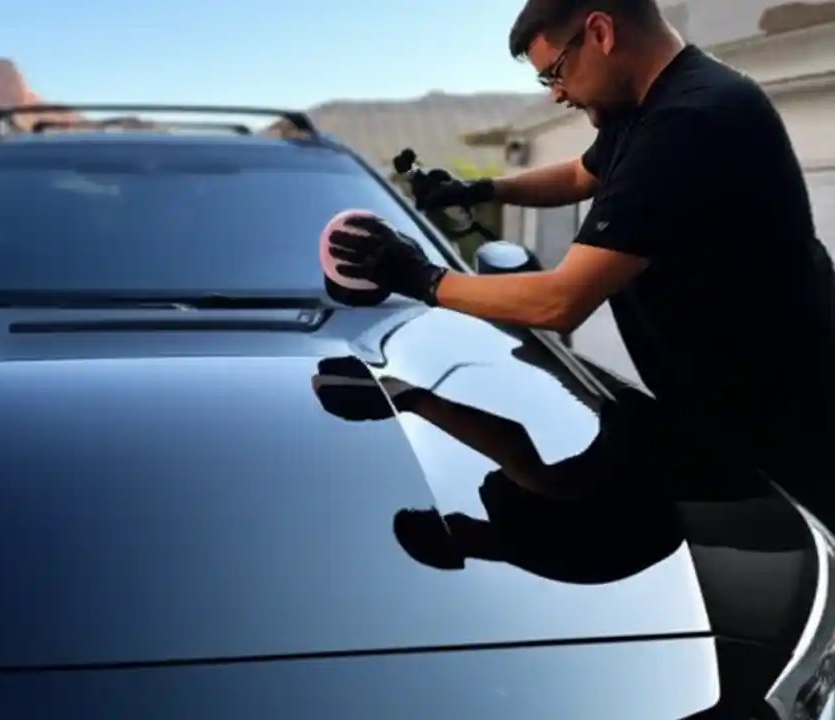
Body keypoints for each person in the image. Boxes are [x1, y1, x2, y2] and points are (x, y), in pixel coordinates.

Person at [325, 0, 835, 522]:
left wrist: (418, 277)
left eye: (555, 72)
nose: (556, 93)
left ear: (600, 32)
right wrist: (481, 188)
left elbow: (560, 302)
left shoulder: (691, 121)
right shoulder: (646, 105)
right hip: (710, 413)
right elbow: (580, 175)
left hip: (786, 429)